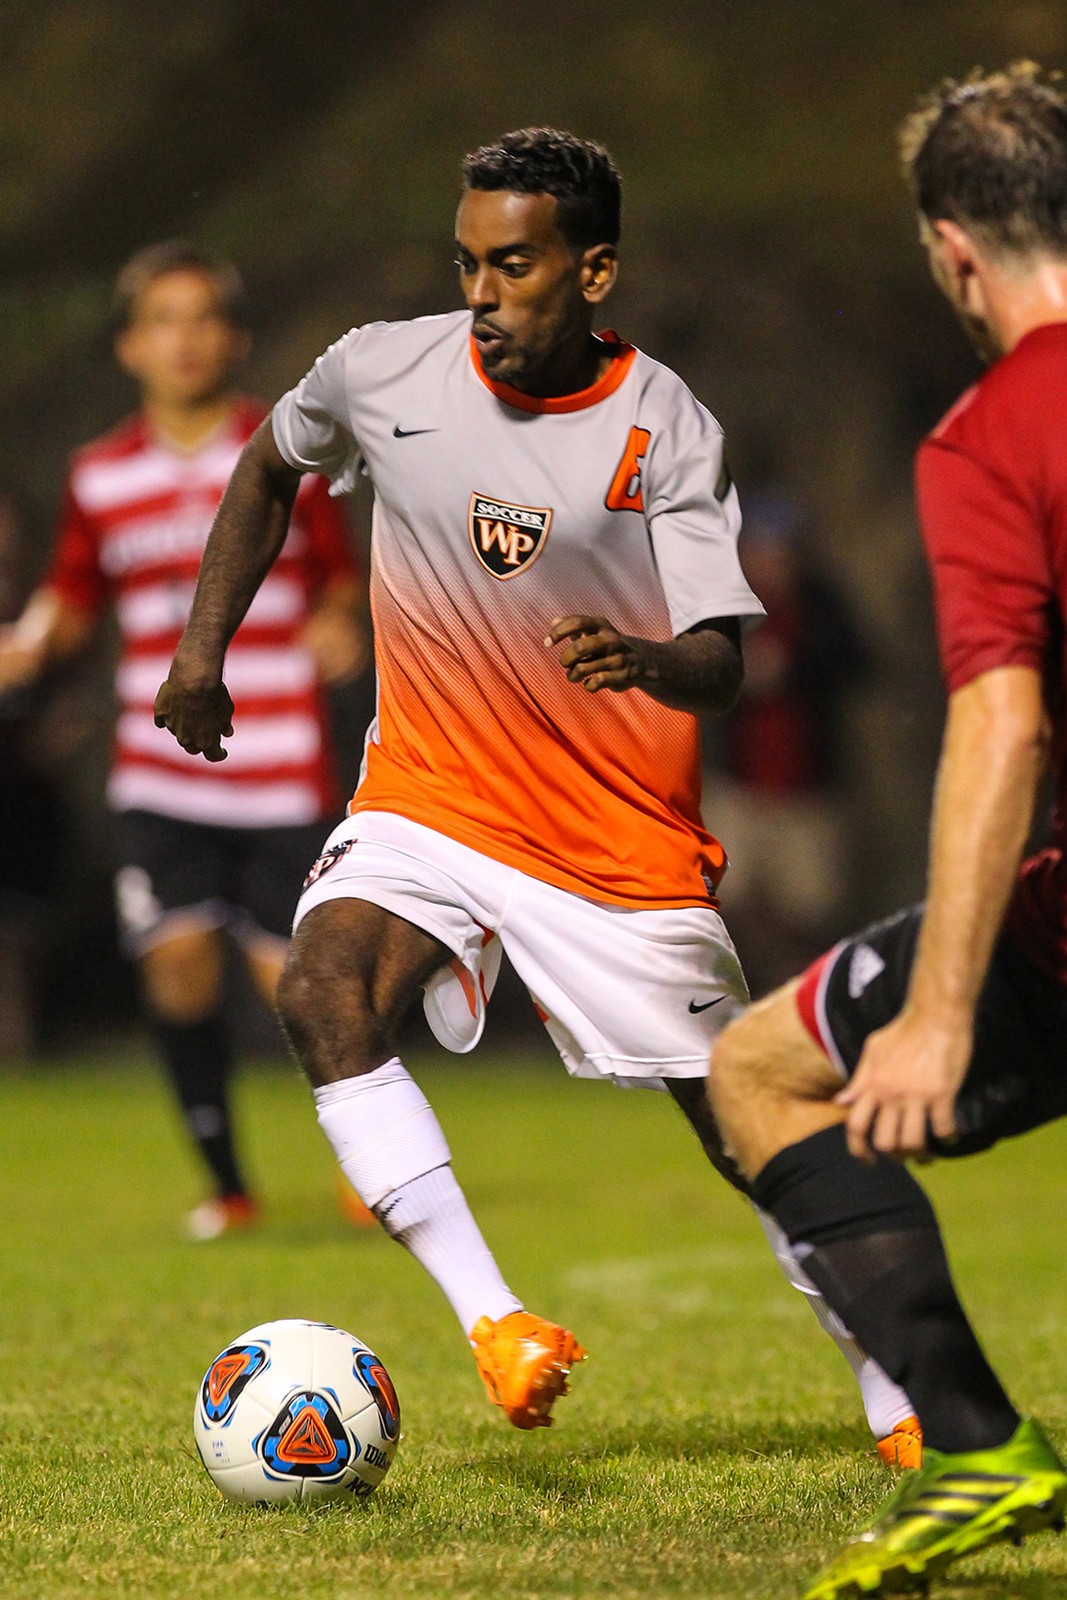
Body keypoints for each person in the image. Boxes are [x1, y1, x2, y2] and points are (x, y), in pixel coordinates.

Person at [154, 128, 910, 1438]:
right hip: (428, 799)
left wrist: (645, 659)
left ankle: (895, 1386)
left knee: (746, 1119)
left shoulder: (662, 424)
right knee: (322, 988)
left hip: (611, 842)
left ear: (593, 270)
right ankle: (495, 1321)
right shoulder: (380, 369)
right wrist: (200, 649)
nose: (481, 295)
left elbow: (721, 665)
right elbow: (271, 466)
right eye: (466, 264)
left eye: (513, 266)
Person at [709, 63, 1067, 1599]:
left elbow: (1000, 720)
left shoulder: (993, 432)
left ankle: (975, 1446)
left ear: (951, 252)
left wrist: (935, 1014)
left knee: (758, 1069)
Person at [0, 241, 369, 1239]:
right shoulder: (99, 474)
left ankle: (370, 1166)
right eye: (163, 320)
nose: (186, 339)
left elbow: (339, 578)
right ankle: (228, 1187)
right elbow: (73, 594)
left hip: (278, 763)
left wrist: (340, 622)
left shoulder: (286, 449)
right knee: (177, 964)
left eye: (204, 317)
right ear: (130, 345)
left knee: (300, 984)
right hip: (159, 767)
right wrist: (30, 642)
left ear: (236, 338)